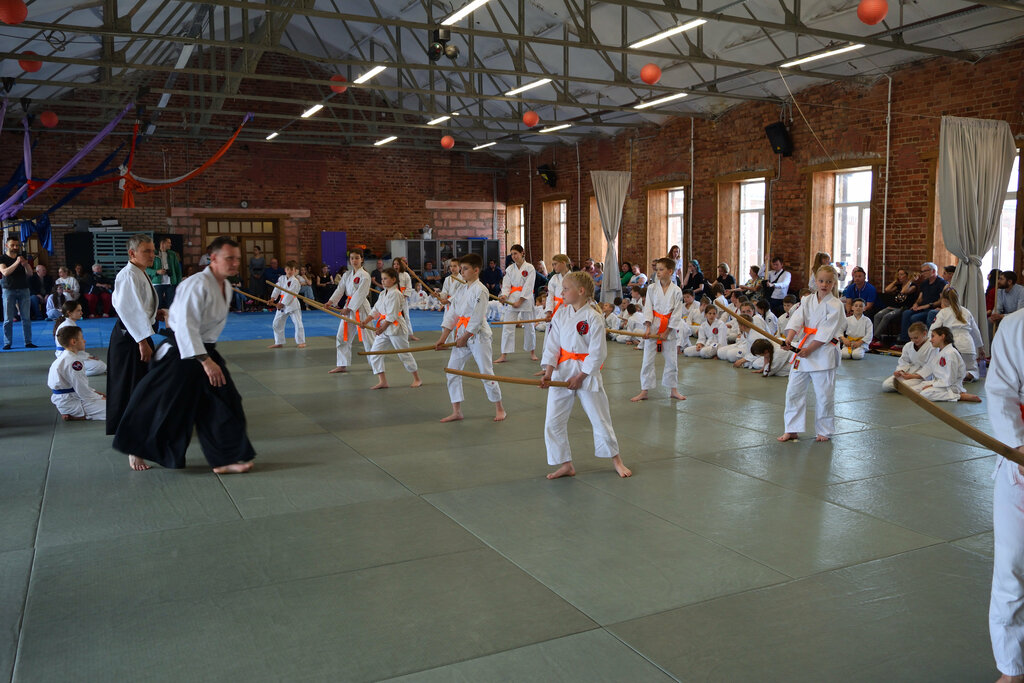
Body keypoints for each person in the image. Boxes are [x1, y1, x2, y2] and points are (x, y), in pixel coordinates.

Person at [113, 236, 255, 474]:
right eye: (229, 258)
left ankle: (224, 459)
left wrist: (207, 357)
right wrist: (206, 361)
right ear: (213, 259)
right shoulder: (197, 284)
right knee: (162, 404)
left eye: (237, 259)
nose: (234, 263)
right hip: (181, 352)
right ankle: (136, 446)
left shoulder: (226, 286)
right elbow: (186, 327)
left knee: (225, 402)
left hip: (204, 350)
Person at [540, 271, 631, 480]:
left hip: (586, 371)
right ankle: (565, 464)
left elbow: (598, 352)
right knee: (553, 420)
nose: (561, 292)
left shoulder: (593, 317)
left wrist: (580, 377)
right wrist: (548, 372)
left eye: (565, 288)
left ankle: (616, 460)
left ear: (580, 291)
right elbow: (552, 345)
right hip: (563, 369)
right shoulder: (561, 313)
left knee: (600, 418)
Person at [985, 307, 1024, 683]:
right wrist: (1017, 446)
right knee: (1012, 567)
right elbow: (999, 392)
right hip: (1020, 470)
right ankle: (1011, 669)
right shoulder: (1014, 328)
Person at [107, 234, 167, 473]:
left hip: (137, 336)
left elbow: (141, 307)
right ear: (132, 254)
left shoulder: (140, 273)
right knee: (134, 392)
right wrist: (142, 341)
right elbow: (127, 310)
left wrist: (157, 314)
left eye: (153, 251)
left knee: (143, 390)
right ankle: (133, 450)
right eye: (147, 251)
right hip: (130, 339)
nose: (152, 255)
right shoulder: (128, 275)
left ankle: (141, 438)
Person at [436, 253, 506, 423]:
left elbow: (476, 317)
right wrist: (443, 337)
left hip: (478, 336)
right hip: (461, 333)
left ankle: (500, 408)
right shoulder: (462, 289)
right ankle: (457, 411)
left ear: (476, 270)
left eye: (465, 269)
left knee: (485, 372)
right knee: (452, 370)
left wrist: (466, 336)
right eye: (461, 269)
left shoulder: (481, 290)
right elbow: (452, 314)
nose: (462, 272)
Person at [778, 264, 844, 443]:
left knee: (824, 394)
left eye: (829, 282)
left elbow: (826, 331)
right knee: (793, 391)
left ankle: (824, 430)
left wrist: (810, 349)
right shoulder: (807, 300)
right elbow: (797, 320)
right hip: (803, 347)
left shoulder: (836, 305)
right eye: (821, 281)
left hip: (823, 351)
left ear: (834, 284)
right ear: (815, 281)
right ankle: (792, 429)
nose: (824, 285)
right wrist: (789, 340)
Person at [631, 258, 685, 402]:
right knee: (647, 359)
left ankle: (673, 390)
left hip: (669, 328)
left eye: (661, 269)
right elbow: (648, 307)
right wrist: (647, 327)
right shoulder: (652, 288)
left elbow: (677, 313)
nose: (658, 272)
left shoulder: (677, 291)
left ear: (670, 271)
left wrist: (667, 331)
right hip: (654, 324)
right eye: (657, 269)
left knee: (671, 360)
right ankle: (644, 390)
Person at [366, 267, 422, 390]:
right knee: (374, 353)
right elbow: (375, 310)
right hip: (384, 327)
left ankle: (417, 378)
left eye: (385, 278)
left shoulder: (396, 294)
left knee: (404, 354)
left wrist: (380, 329)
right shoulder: (382, 293)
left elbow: (391, 316)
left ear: (393, 279)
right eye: (382, 279)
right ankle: (383, 381)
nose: (383, 281)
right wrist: (364, 321)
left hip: (396, 328)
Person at [899, 326, 980, 402]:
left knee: (925, 394)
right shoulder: (942, 351)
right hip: (941, 383)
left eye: (933, 336)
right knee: (911, 390)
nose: (930, 340)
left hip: (951, 386)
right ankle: (948, 393)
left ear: (942, 336)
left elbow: (950, 379)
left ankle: (959, 396)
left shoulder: (950, 353)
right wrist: (932, 384)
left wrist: (933, 386)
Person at [326, 250, 374, 374]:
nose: (354, 260)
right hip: (349, 306)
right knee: (342, 336)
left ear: (362, 259)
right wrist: (330, 302)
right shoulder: (347, 275)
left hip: (361, 308)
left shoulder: (365, 275)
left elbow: (361, 294)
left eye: (357, 258)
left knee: (368, 338)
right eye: (352, 258)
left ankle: (376, 364)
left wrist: (349, 308)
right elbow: (340, 289)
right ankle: (342, 364)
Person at [49, 326, 106, 421]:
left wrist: (97, 393)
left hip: (65, 399)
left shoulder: (65, 357)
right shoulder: (74, 362)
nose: (84, 341)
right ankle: (78, 415)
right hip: (73, 402)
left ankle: (75, 413)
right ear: (74, 342)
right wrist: (100, 397)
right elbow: (82, 391)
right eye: (82, 338)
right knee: (117, 410)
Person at [496, 245, 539, 363]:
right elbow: (506, 285)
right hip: (511, 299)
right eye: (512, 254)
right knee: (507, 327)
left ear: (522, 253)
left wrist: (520, 301)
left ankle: (532, 352)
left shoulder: (529, 268)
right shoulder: (510, 269)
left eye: (516, 253)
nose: (514, 256)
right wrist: (504, 295)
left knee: (529, 326)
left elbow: (529, 286)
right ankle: (503, 355)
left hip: (526, 300)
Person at [53, 300, 106, 375]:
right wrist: (86, 357)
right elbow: (72, 347)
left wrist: (87, 356)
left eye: (81, 310)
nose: (81, 313)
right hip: (67, 356)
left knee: (99, 364)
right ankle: (71, 372)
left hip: (70, 354)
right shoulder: (68, 326)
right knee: (101, 366)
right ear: (69, 313)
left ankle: (72, 370)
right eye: (78, 311)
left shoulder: (69, 323)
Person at [1, 237, 36, 349]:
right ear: (7, 246)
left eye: (17, 245)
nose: (15, 247)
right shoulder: (2, 258)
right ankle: (7, 343)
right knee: (8, 319)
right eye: (13, 245)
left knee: (26, 317)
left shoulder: (22, 257)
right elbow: (5, 272)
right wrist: (17, 263)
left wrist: (25, 264)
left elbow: (30, 273)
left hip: (24, 289)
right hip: (8, 289)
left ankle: (28, 341)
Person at [898, 262, 947, 343]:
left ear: (933, 271)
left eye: (925, 271)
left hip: (932, 308)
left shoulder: (941, 283)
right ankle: (904, 340)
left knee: (915, 317)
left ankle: (923, 340)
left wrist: (927, 306)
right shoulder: (924, 283)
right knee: (907, 313)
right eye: (922, 271)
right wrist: (916, 304)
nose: (922, 274)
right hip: (922, 307)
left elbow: (941, 300)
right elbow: (920, 298)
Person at [882, 322, 936, 392]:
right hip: (909, 372)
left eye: (916, 338)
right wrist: (900, 371)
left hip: (923, 376)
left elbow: (931, 366)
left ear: (925, 333)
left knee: (903, 386)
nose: (913, 340)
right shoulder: (908, 345)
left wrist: (915, 376)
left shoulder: (932, 346)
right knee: (886, 385)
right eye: (911, 338)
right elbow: (903, 361)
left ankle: (920, 386)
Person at [268, 261, 306, 349]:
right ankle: (279, 342)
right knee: (276, 323)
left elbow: (291, 294)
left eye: (291, 269)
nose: (289, 271)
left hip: (292, 304)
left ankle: (301, 342)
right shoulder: (281, 278)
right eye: (288, 269)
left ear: (295, 271)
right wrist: (272, 298)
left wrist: (282, 303)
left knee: (298, 323)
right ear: (285, 270)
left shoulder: (295, 281)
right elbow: (277, 288)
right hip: (281, 304)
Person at [872, 268, 911, 341]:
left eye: (902, 274)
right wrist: (895, 281)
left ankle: (875, 337)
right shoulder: (898, 286)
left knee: (887, 317)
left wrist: (910, 281)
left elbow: (903, 291)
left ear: (907, 275)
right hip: (893, 307)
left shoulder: (912, 286)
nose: (900, 276)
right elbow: (887, 290)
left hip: (902, 308)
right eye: (898, 274)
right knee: (877, 316)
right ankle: (877, 337)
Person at [148, 237, 182, 309]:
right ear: (162, 243)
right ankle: (156, 319)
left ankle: (169, 319)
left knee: (171, 304)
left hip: (170, 282)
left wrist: (179, 282)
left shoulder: (172, 254)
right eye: (169, 242)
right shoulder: (153, 254)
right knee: (157, 304)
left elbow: (177, 269)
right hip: (157, 283)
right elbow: (146, 269)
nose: (170, 244)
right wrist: (157, 271)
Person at [544, 254, 571, 321]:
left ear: (563, 263)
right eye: (553, 265)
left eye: (555, 264)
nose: (554, 267)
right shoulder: (554, 278)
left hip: (569, 308)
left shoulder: (574, 278)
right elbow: (550, 295)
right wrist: (549, 311)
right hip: (556, 307)